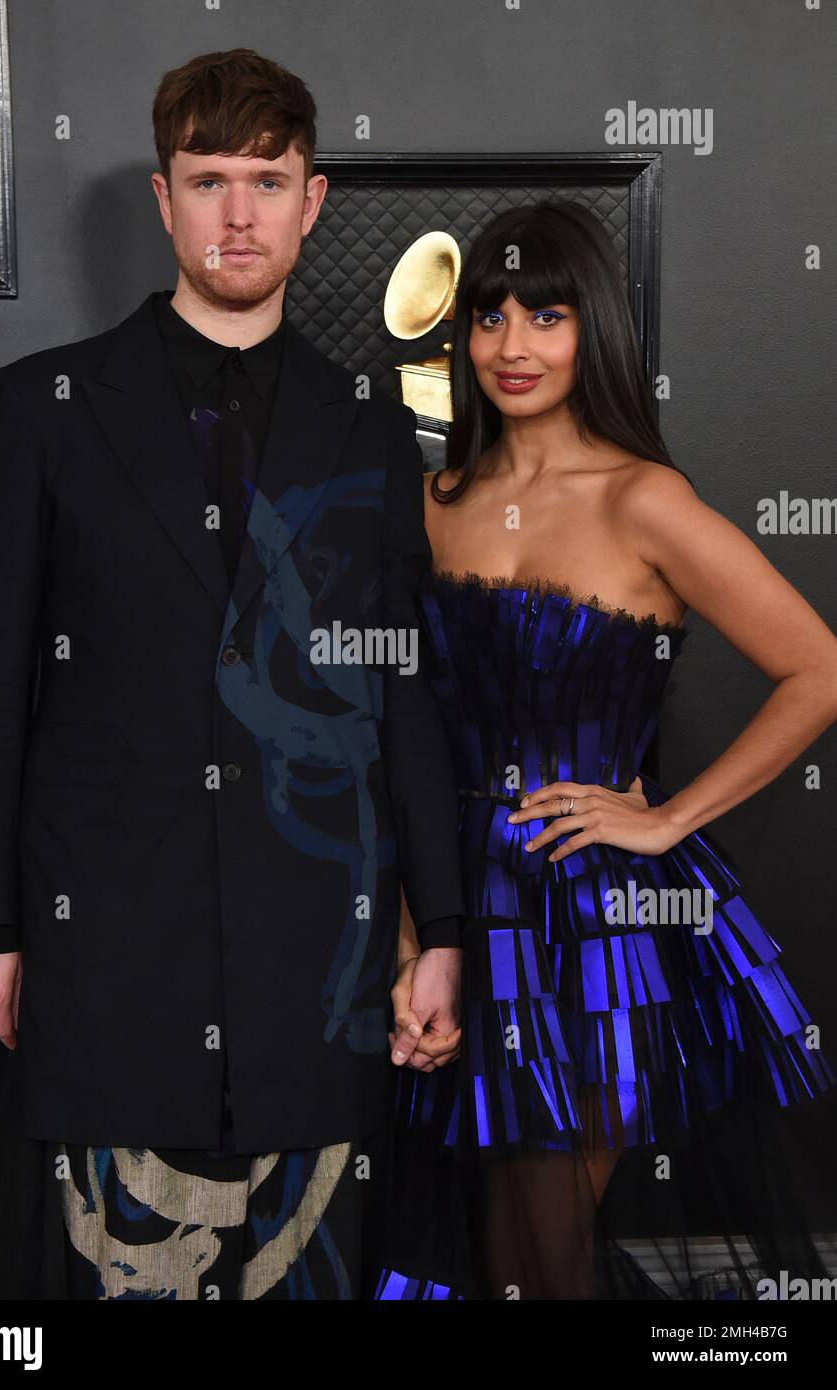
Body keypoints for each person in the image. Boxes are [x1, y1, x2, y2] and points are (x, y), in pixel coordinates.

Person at [0, 48, 464, 1300]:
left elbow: (402, 690)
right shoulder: (43, 407)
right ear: (166, 197)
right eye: (209, 178)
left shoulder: (374, 427)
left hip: (316, 944)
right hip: (106, 934)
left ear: (312, 201)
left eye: (267, 180)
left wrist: (442, 927)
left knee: (311, 1268)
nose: (239, 212)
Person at [374, 199, 837, 1300]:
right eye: (489, 317)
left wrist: (664, 816)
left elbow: (817, 667)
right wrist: (409, 939)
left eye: (546, 314)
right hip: (452, 908)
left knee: (531, 1251)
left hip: (600, 928)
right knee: (472, 1250)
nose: (512, 345)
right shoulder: (433, 503)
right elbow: (409, 739)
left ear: (597, 331)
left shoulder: (645, 501)